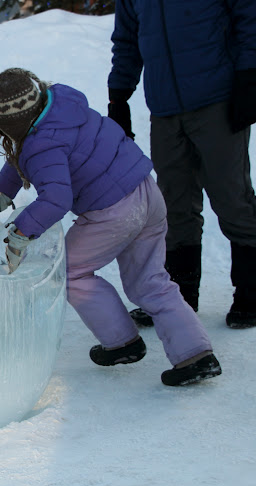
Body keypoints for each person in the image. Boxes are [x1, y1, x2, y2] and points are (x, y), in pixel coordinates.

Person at [0, 68, 221, 386]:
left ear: (8, 124)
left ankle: (122, 341)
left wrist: (19, 235)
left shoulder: (41, 145)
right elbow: (28, 154)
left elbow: (55, 197)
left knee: (69, 272)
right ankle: (195, 355)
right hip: (147, 193)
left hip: (113, 212)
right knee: (151, 282)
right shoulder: (60, 105)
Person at [107, 0, 256, 329]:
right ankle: (180, 295)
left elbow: (248, 15)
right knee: (173, 203)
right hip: (164, 108)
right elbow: (128, 38)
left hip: (218, 98)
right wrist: (118, 94)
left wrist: (249, 74)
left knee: (232, 197)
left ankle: (251, 291)